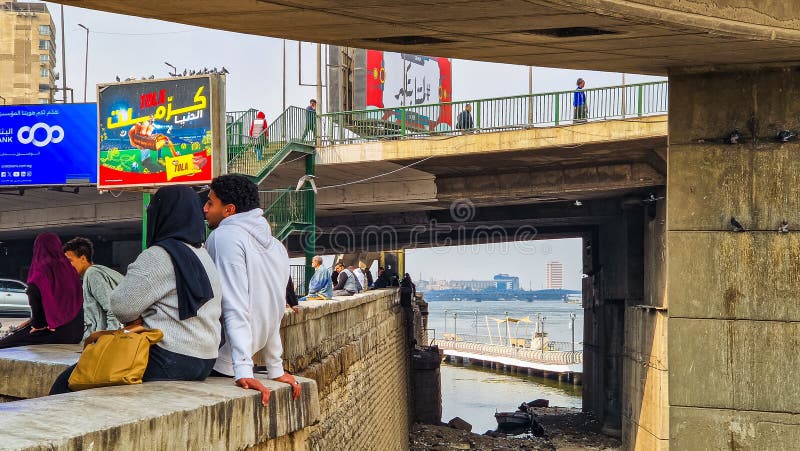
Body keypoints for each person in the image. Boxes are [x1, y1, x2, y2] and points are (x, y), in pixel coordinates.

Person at [50, 186, 223, 394]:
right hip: (205, 359)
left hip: (169, 356)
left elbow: (122, 307)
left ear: (161, 215)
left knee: (68, 381)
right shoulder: (202, 256)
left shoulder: (159, 254)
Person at [203, 174, 301, 405]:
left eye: (210, 202)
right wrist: (275, 367)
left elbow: (233, 304)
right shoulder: (277, 247)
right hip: (240, 356)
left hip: (220, 360)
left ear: (229, 210)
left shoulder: (224, 236)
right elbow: (274, 310)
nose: (204, 209)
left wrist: (244, 371)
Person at [0, 233, 84, 349]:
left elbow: (40, 322)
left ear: (37, 249)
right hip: (76, 334)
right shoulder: (71, 271)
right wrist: (31, 322)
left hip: (55, 333)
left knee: (5, 344)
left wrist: (36, 324)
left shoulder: (40, 273)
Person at [63, 237, 123, 338]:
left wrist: (108, 339)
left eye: (69, 261)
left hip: (101, 341)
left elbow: (112, 309)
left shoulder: (93, 274)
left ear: (83, 258)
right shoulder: (92, 274)